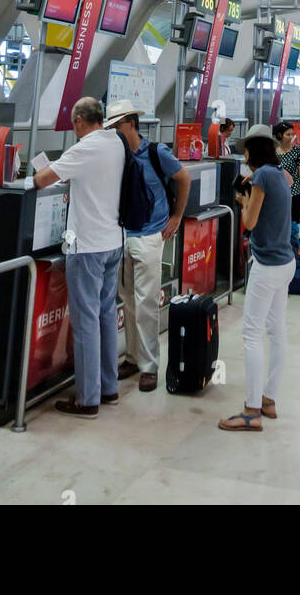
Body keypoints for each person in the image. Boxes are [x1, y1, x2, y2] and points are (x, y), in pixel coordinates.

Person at [29, 96, 125, 418]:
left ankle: (87, 399)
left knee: (85, 323)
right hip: (113, 241)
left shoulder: (86, 147)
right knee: (106, 316)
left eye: (74, 124)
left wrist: (32, 175)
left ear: (80, 121)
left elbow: (43, 179)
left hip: (87, 246)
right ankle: (108, 388)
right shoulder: (115, 142)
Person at [108, 99, 191, 393]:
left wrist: (177, 216)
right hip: (121, 235)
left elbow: (184, 178)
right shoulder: (115, 154)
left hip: (149, 235)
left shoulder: (156, 152)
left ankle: (149, 366)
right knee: (128, 300)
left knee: (145, 302)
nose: (114, 131)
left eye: (116, 125)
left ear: (130, 122)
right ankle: (132, 357)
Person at [219, 126, 295, 433]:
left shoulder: (262, 176)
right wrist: (253, 185)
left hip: (266, 267)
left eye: (247, 150)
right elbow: (281, 184)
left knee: (251, 334)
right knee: (276, 331)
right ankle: (269, 399)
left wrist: (242, 200)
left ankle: (251, 411)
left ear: (254, 150)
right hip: (287, 261)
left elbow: (249, 222)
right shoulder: (281, 175)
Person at [273, 121, 300, 248]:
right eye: (288, 134)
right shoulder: (274, 152)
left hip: (295, 193)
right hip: (279, 194)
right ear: (280, 135)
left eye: (292, 134)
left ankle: (294, 249)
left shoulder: (297, 151)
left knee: (294, 223)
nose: (291, 137)